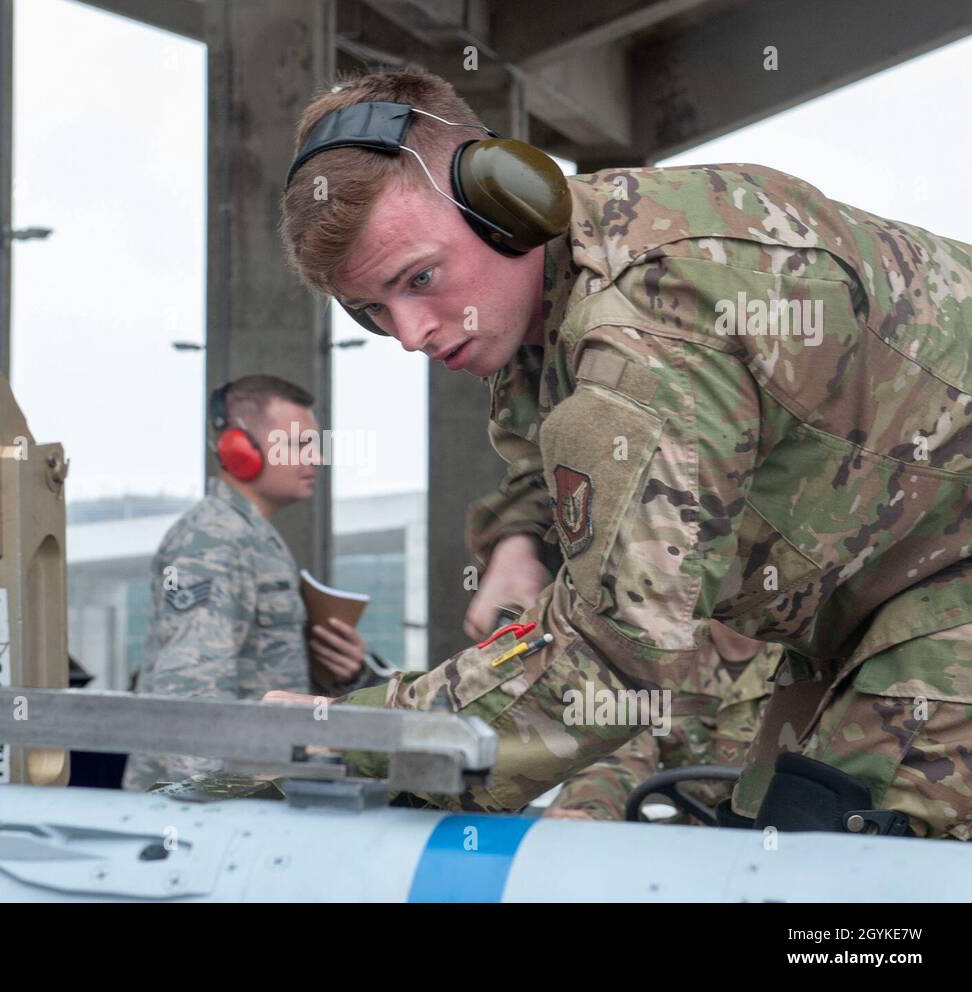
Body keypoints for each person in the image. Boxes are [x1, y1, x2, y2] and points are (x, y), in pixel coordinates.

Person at [269, 70, 972, 838]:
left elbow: (619, 661)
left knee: (860, 866)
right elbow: (567, 463)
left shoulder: (656, 322)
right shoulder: (552, 288)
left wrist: (356, 735)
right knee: (780, 838)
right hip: (895, 582)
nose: (411, 333)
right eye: (374, 310)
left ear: (505, 199)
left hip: (939, 578)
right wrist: (521, 543)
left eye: (421, 279)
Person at [123, 374, 381, 791]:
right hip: (206, 813)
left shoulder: (252, 537)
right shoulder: (211, 539)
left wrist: (344, 673)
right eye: (299, 444)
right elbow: (191, 698)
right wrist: (207, 820)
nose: (315, 458)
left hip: (247, 800)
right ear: (239, 450)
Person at [545, 623, 779, 823]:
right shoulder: (657, 655)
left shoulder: (808, 662)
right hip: (681, 847)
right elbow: (617, 757)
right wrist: (589, 813)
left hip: (784, 848)